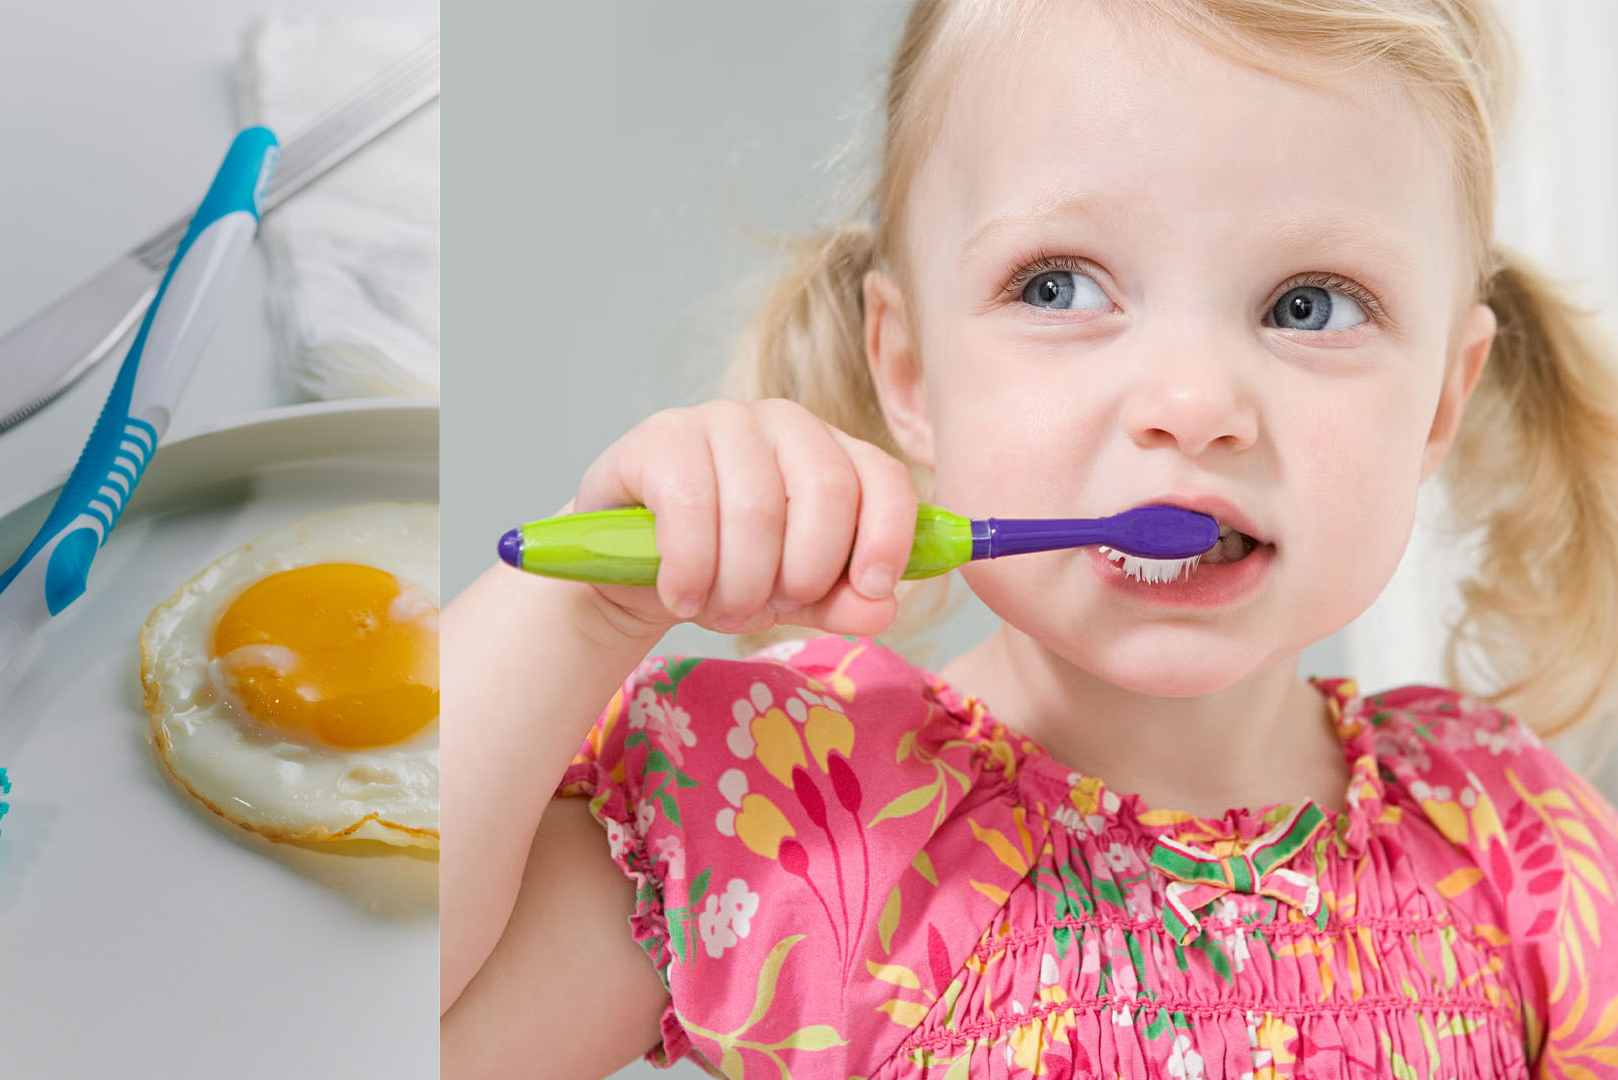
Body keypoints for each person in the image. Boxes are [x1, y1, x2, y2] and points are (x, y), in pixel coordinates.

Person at [442, 0, 1618, 1075]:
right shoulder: (801, 813)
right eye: (1059, 287)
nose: (1194, 403)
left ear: (1442, 403)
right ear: (908, 372)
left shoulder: (1517, 842)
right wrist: (578, 609)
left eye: (1310, 305)